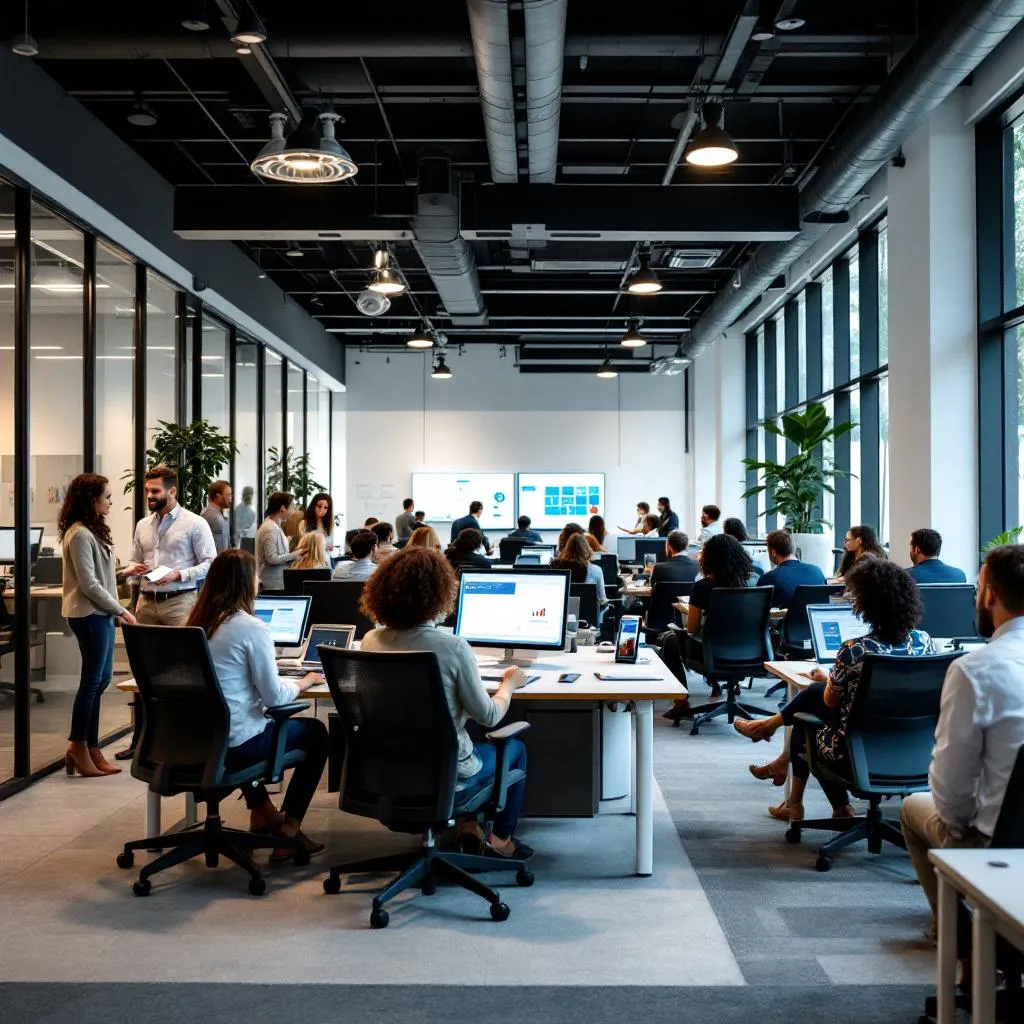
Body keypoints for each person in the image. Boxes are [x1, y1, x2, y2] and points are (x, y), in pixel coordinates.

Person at [359, 547, 533, 859]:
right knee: (514, 747)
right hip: (446, 776)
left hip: (388, 773)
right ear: (439, 594)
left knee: (464, 737)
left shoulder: (371, 641)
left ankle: (469, 829)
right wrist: (508, 685)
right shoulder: (452, 647)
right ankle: (500, 840)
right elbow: (489, 716)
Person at [737, 559, 932, 820]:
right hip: (914, 755)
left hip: (857, 756)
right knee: (814, 701)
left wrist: (830, 677)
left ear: (866, 604)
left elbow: (829, 701)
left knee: (806, 718)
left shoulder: (855, 649)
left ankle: (811, 801)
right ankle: (823, 803)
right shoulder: (924, 642)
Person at [900, 544, 1024, 924]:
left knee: (912, 807)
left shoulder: (974, 670)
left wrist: (958, 828)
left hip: (998, 844)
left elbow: (951, 791)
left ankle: (960, 940)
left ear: (989, 595)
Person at [187, 549, 329, 861]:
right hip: (235, 745)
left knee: (249, 723)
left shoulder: (196, 625)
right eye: (255, 575)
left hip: (194, 741)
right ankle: (289, 831)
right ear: (244, 583)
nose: (259, 581)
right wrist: (304, 682)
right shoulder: (250, 627)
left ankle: (263, 814)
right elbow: (275, 697)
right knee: (316, 734)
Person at [58, 474, 138, 778]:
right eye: (107, 496)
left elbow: (98, 575)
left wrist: (125, 571)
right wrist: (121, 610)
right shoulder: (79, 534)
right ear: (92, 499)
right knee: (92, 682)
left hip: (98, 614)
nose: (110, 502)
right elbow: (89, 584)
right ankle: (78, 745)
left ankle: (90, 748)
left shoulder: (89, 531)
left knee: (100, 680)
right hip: (90, 614)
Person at [659, 534, 755, 721]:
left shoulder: (702, 587)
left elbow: (692, 630)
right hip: (750, 653)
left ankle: (681, 703)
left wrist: (686, 612)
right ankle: (716, 685)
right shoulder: (753, 584)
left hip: (713, 654)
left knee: (670, 640)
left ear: (709, 559)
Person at [121, 465, 216, 625]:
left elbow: (211, 564)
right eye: (147, 490)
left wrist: (178, 575)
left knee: (180, 643)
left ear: (172, 492)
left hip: (180, 604)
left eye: (155, 491)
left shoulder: (195, 523)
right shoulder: (142, 525)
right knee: (144, 643)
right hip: (146, 604)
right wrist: (135, 591)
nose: (149, 496)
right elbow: (135, 561)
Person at [758, 528, 827, 608]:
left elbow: (758, 609)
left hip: (786, 616)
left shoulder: (768, 578)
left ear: (773, 552)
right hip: (815, 616)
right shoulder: (817, 571)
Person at [551, 533, 608, 622]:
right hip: (587, 622)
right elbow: (602, 599)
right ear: (587, 549)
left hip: (559, 619)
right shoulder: (595, 570)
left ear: (567, 548)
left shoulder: (555, 568)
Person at [255, 491, 301, 593]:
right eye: (292, 506)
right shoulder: (269, 529)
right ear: (283, 508)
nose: (293, 510)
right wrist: (294, 555)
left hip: (275, 583)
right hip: (270, 585)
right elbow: (272, 559)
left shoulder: (274, 526)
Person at [201, 480, 233, 555]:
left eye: (230, 495)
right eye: (227, 495)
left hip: (223, 560)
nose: (230, 498)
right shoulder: (209, 515)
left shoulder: (222, 513)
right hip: (215, 560)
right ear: (217, 496)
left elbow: (226, 542)